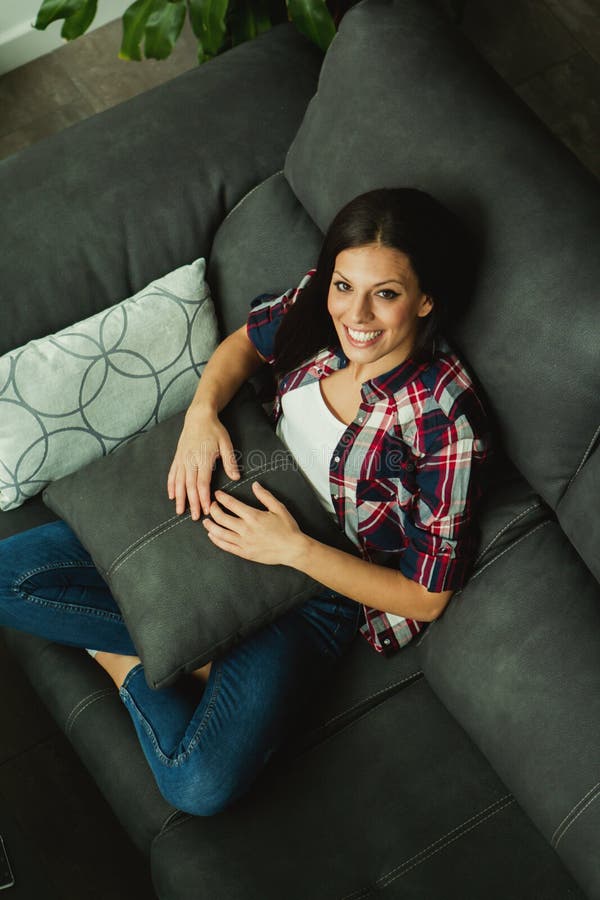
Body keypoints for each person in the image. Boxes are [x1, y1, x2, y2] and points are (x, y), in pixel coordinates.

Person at [0, 188, 491, 816]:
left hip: (316, 586)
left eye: (386, 293)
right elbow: (244, 346)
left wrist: (293, 549)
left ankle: (126, 656)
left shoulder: (447, 422)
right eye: (346, 286)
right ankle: (186, 644)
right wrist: (202, 415)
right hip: (233, 492)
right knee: (8, 575)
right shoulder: (324, 303)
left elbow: (427, 595)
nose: (356, 313)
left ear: (427, 298)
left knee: (198, 782)